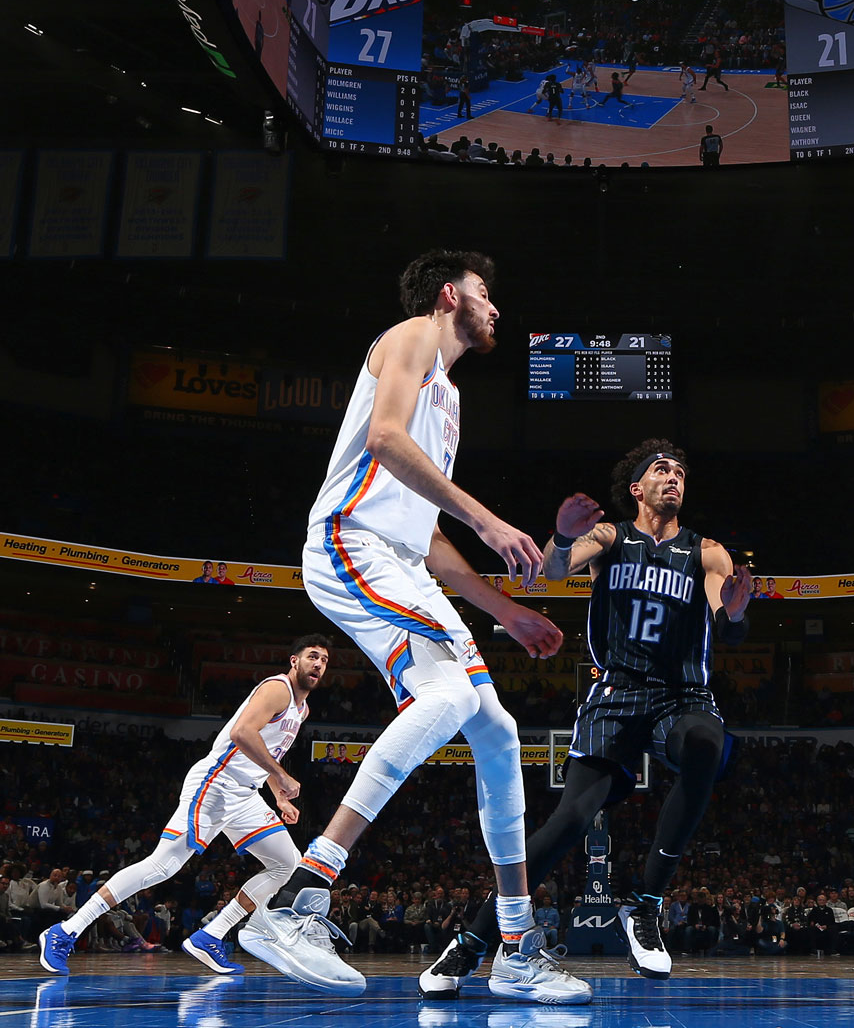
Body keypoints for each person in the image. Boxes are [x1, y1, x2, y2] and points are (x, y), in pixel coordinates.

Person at [241, 249, 576, 1002]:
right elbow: (384, 441)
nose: (497, 309)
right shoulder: (411, 338)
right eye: (488, 294)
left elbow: (425, 532)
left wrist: (504, 610)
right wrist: (490, 522)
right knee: (449, 698)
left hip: (400, 559)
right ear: (451, 295)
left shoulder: (451, 398)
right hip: (349, 539)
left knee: (497, 730)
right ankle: (298, 898)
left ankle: (517, 945)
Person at [418, 441, 752, 993]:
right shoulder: (609, 538)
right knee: (569, 820)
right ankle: (473, 941)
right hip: (616, 691)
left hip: (681, 693)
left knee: (704, 746)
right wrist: (565, 534)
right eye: (661, 470)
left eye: (680, 472)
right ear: (637, 488)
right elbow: (549, 573)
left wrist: (736, 613)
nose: (674, 477)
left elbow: (726, 618)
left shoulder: (707, 551)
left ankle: (644, 904)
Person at [38, 637, 331, 978]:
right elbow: (241, 734)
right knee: (163, 866)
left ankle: (211, 935)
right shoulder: (277, 689)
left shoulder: (303, 708)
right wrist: (282, 775)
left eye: (324, 660)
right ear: (294, 661)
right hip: (215, 783)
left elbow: (266, 752)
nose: (319, 664)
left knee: (286, 864)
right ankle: (65, 931)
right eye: (312, 656)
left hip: (245, 794)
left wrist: (278, 793)